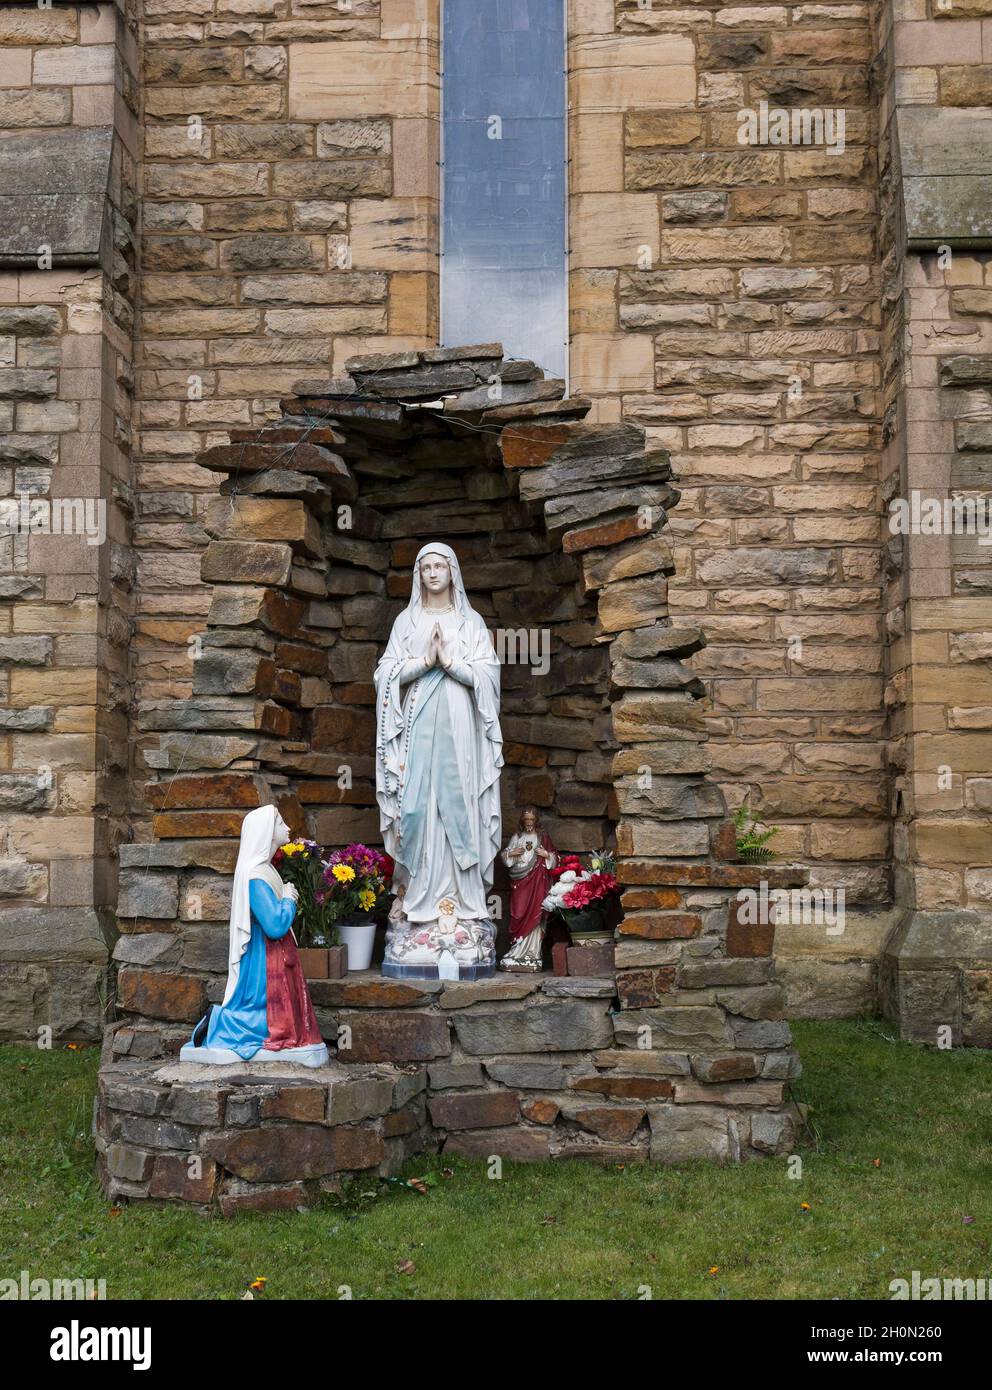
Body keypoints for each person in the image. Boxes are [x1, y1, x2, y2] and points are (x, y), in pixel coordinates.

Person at [374, 542, 503, 976]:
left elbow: (489, 674)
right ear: (418, 574)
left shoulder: (471, 623)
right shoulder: (406, 621)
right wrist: (421, 662)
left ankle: (465, 908)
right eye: (424, 567)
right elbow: (384, 675)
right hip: (417, 729)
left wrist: (450, 664)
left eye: (439, 566)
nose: (432, 573)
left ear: (452, 571)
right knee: (417, 809)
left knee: (460, 805)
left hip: (461, 729)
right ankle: (417, 902)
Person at [180, 804, 328, 1066]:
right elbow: (274, 925)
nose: (288, 828)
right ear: (266, 832)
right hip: (265, 959)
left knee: (272, 1010)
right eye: (281, 824)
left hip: (275, 955)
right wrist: (288, 900)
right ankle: (216, 1024)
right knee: (261, 1011)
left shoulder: (266, 869)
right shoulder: (256, 876)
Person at [499, 806, 557, 973]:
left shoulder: (542, 837)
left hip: (538, 882)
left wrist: (546, 855)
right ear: (522, 821)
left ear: (536, 820)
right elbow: (505, 855)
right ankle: (516, 951)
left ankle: (533, 952)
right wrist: (511, 853)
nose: (529, 823)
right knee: (518, 913)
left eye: (532, 820)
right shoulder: (517, 836)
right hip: (519, 881)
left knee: (535, 914)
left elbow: (555, 857)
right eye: (526, 820)